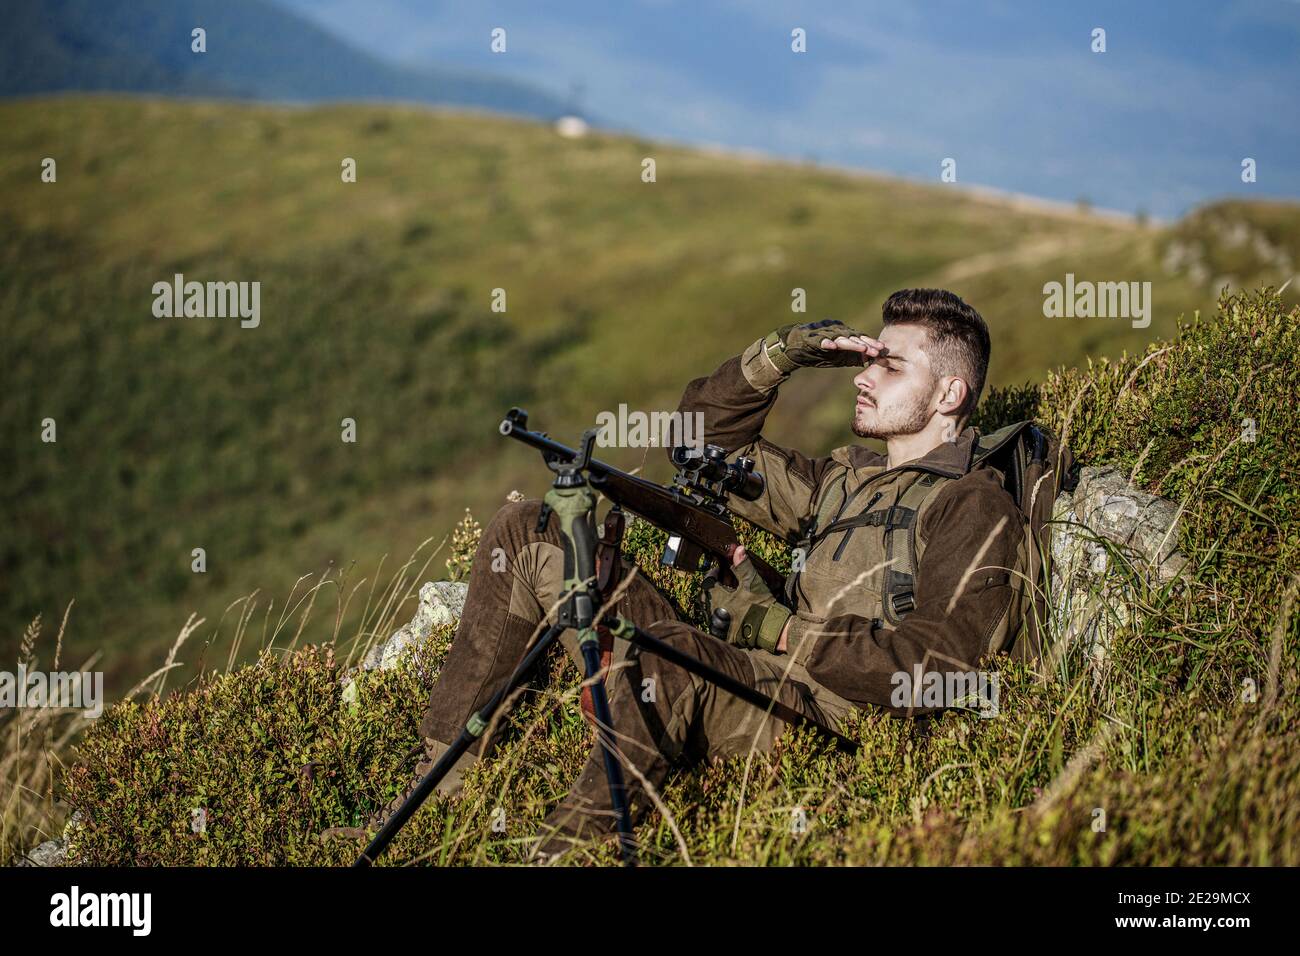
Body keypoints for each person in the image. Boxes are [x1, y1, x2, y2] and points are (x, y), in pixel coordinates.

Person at [324, 288, 1025, 862]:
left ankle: (557, 854)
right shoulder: (842, 480)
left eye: (890, 367)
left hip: (823, 720)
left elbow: (945, 667)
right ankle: (439, 798)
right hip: (742, 671)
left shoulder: (971, 503)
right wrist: (779, 356)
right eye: (867, 362)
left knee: (675, 657)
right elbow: (697, 442)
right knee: (534, 531)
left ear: (949, 395)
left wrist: (781, 631)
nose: (865, 377)